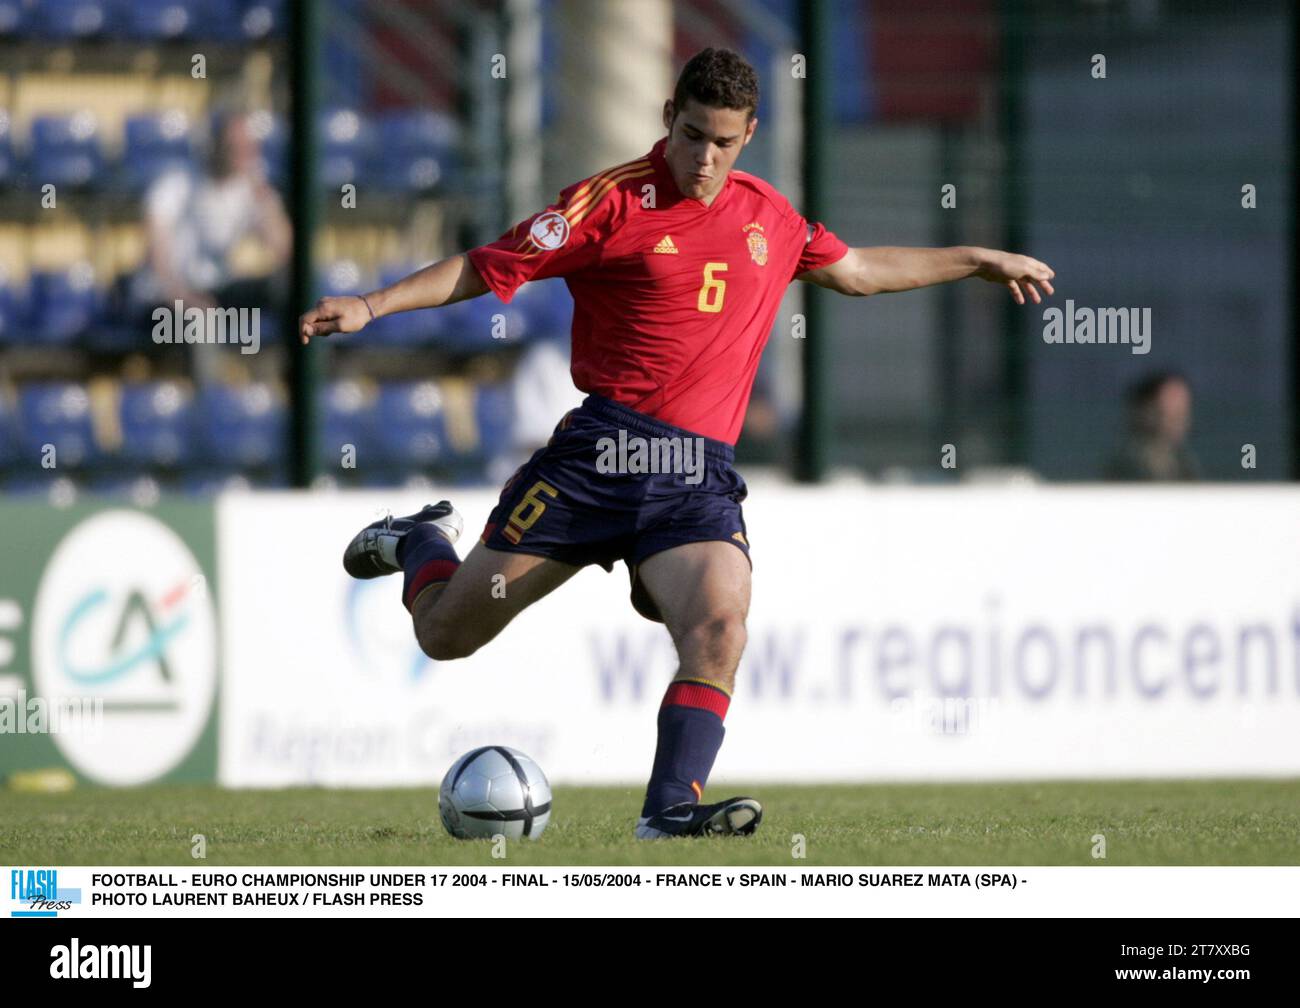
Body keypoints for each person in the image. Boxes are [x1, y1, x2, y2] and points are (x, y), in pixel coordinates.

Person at [298, 48, 1055, 839]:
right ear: (668, 117)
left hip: (695, 480)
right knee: (447, 635)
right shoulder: (608, 203)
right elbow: (489, 268)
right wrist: (373, 304)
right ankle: (420, 539)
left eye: (723, 143)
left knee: (720, 629)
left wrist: (974, 260)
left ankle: (668, 810)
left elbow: (859, 269)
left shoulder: (771, 217)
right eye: (692, 135)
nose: (703, 158)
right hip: (596, 462)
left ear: (749, 134)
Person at [1104, 371, 1200, 480]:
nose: (1180, 419)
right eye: (1172, 413)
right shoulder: (1127, 464)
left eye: (1182, 412)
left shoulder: (1183, 463)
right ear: (1146, 411)